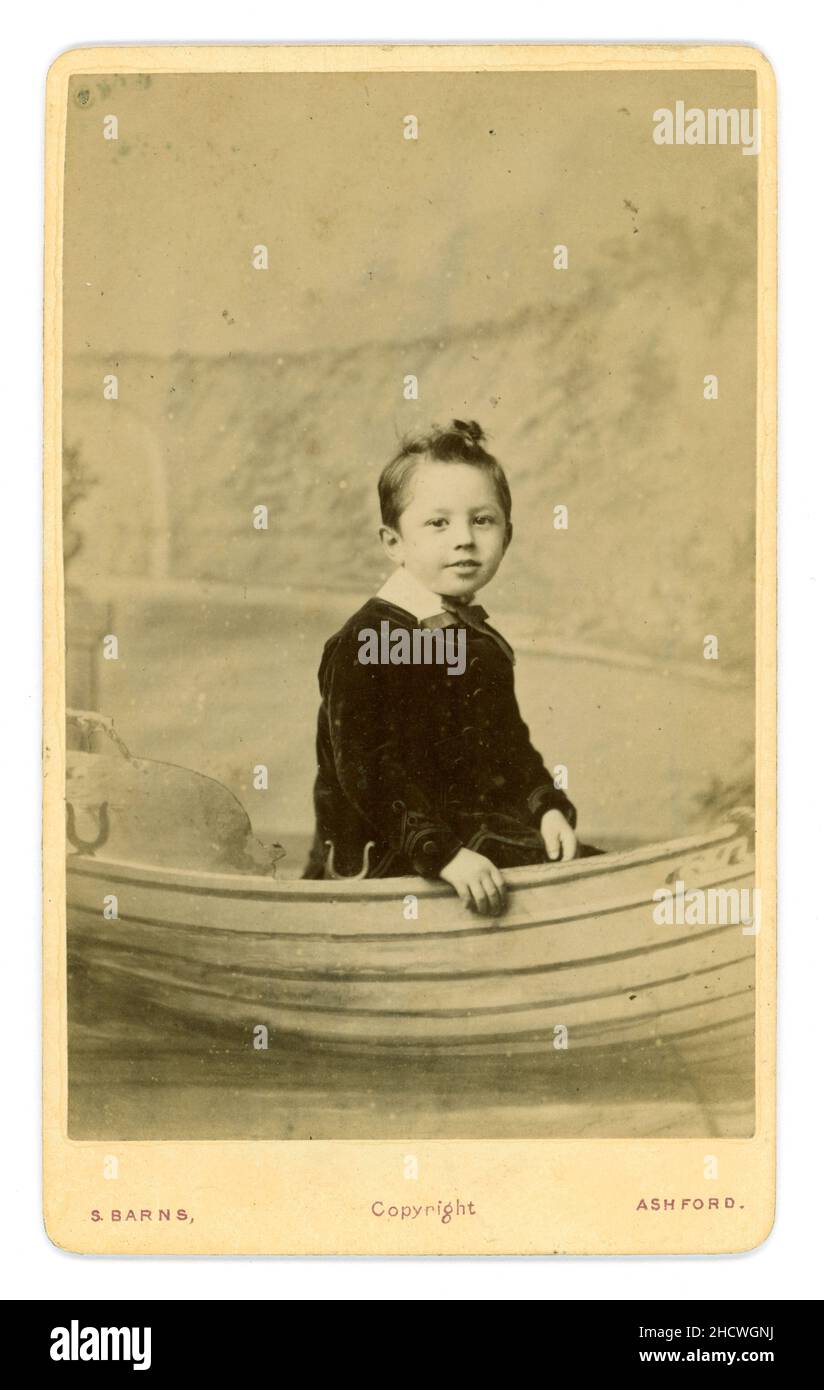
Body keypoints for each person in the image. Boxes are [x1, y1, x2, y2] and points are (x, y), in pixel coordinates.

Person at [303, 419, 599, 914]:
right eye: (438, 523)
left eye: (482, 520)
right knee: (585, 893)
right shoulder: (372, 640)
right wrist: (444, 854)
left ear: (508, 534)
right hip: (391, 861)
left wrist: (544, 806)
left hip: (474, 839)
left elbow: (509, 748)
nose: (464, 539)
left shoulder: (473, 639)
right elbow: (368, 772)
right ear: (393, 542)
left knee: (590, 873)